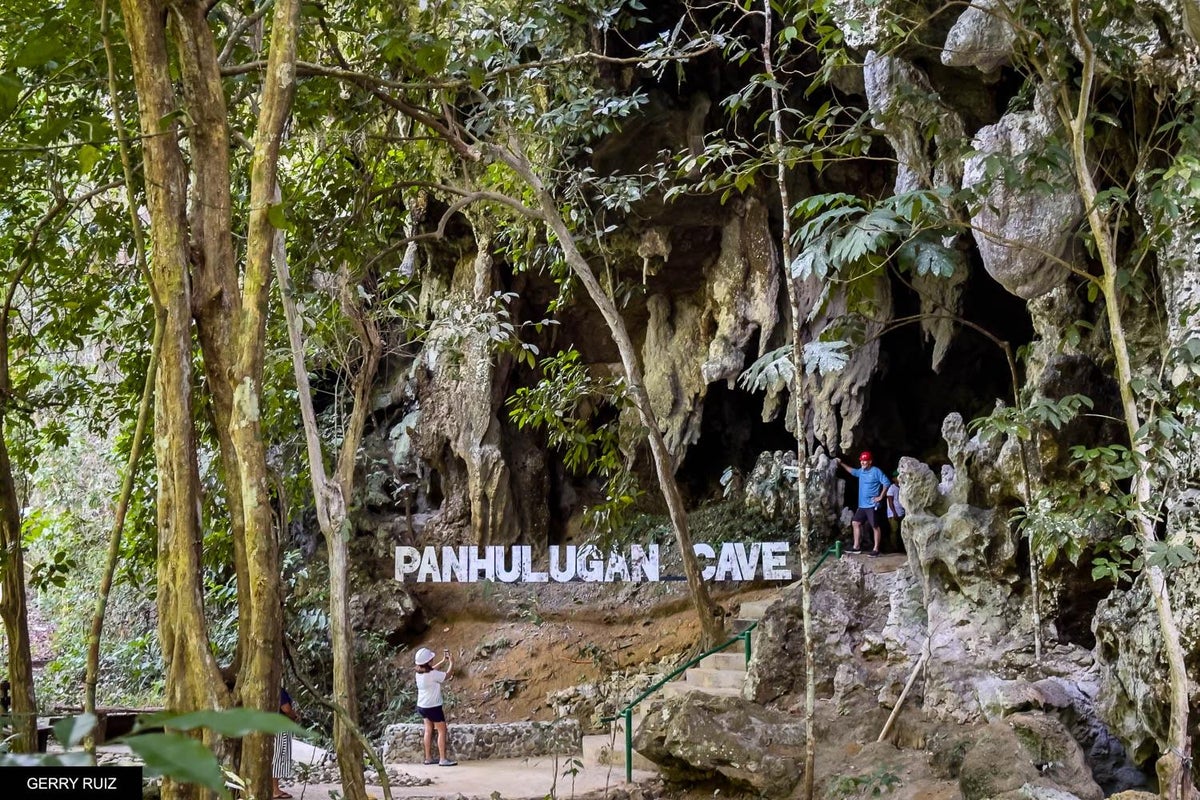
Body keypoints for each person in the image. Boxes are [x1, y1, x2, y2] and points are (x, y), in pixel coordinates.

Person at [837, 450, 891, 557]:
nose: (862, 462)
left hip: (872, 505)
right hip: (862, 505)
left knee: (875, 526)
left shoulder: (876, 471)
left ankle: (876, 549)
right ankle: (856, 547)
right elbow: (852, 471)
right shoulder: (861, 471)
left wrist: (880, 496)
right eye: (861, 461)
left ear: (870, 461)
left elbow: (887, 483)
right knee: (855, 523)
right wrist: (841, 463)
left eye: (865, 461)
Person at [414, 646, 456, 766]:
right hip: (433, 707)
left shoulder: (419, 673)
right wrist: (451, 663)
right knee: (442, 730)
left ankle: (428, 758)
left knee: (428, 730)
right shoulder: (432, 674)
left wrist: (443, 661)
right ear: (428, 662)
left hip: (422, 706)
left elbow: (431, 670)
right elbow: (447, 675)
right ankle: (442, 759)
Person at [272, 688, 299, 799]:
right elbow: (286, 709)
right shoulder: (279, 690)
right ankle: (275, 789)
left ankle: (273, 788)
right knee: (278, 758)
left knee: (275, 757)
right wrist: (295, 716)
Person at [886, 470, 905, 552]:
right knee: (894, 531)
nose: (899, 478)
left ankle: (901, 547)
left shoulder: (901, 487)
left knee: (902, 531)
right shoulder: (892, 488)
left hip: (901, 512)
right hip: (894, 513)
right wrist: (894, 513)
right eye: (897, 477)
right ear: (893, 479)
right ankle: (894, 548)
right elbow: (890, 501)